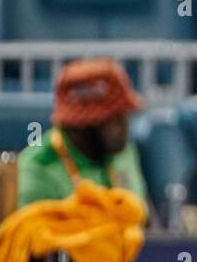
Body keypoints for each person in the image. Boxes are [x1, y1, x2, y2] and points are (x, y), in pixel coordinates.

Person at [16, 59, 148, 209]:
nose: (125, 127)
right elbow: (31, 230)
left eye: (125, 115)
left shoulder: (123, 150)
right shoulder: (38, 168)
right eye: (114, 120)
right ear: (80, 127)